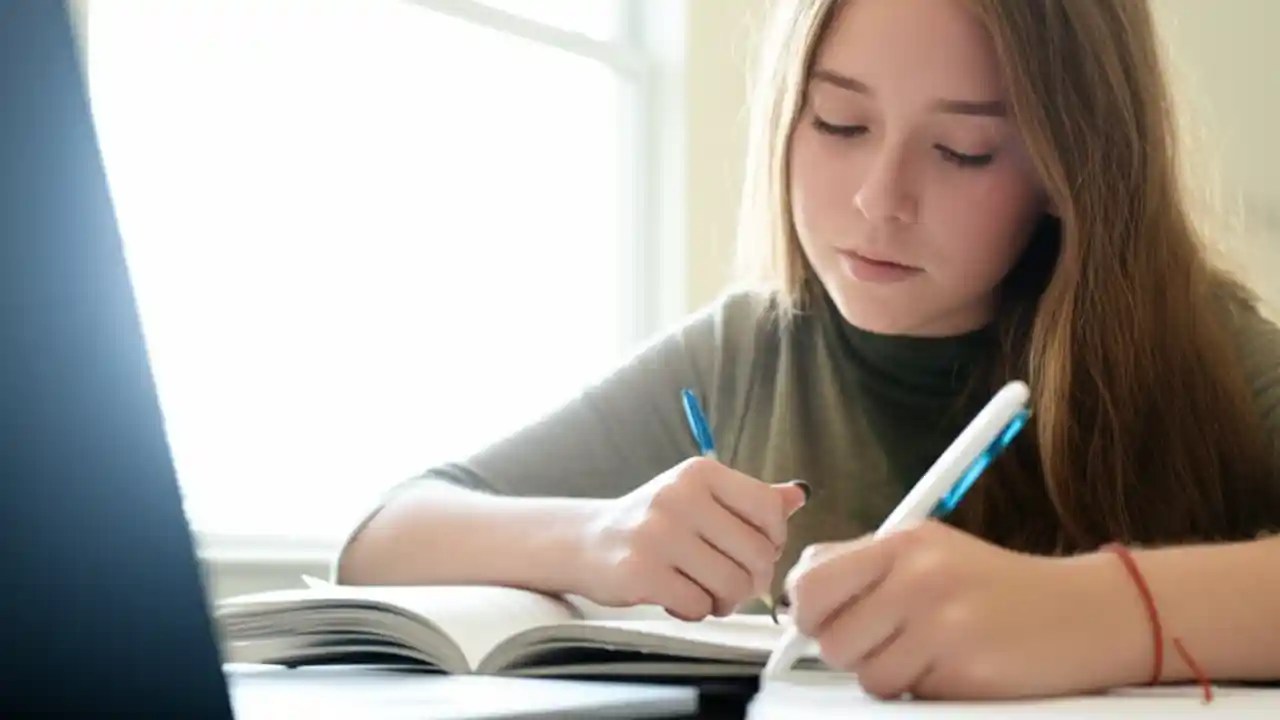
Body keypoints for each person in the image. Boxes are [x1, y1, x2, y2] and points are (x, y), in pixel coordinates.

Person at [336, 0, 1280, 701]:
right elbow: (385, 540)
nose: (879, 200)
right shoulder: (747, 353)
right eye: (839, 123)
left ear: (1070, 172)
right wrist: (602, 537)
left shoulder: (1200, 353)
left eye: (960, 150)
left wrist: (1093, 614)